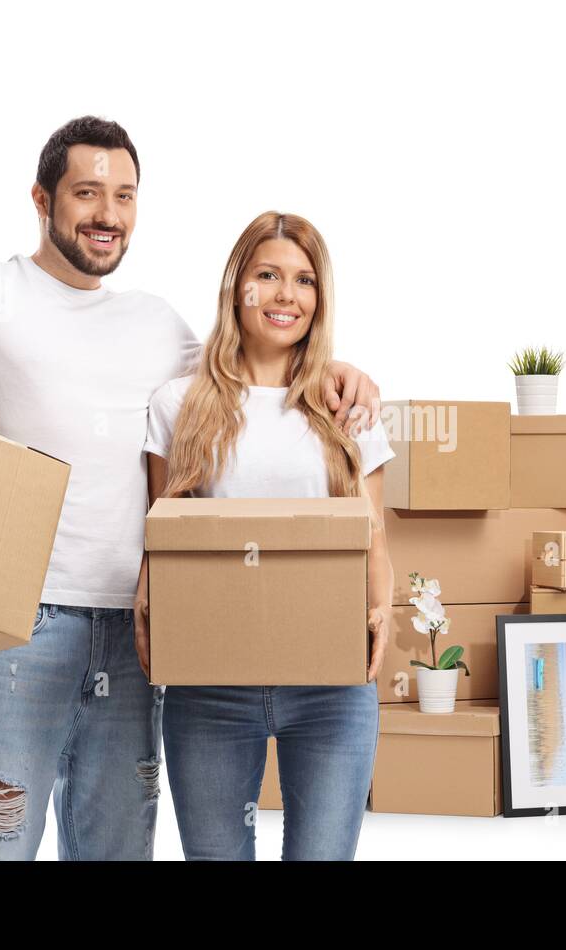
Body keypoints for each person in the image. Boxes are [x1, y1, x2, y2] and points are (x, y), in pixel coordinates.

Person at [0, 117, 381, 860]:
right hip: (15, 626)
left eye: (125, 196)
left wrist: (341, 371)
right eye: (86, 192)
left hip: (138, 639)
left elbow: (258, 365)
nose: (108, 213)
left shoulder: (158, 326)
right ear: (42, 198)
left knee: (115, 853)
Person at [139, 211, 393, 860]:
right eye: (269, 275)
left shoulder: (346, 408)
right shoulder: (179, 404)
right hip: (210, 687)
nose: (287, 295)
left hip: (333, 685)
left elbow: (375, 544)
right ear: (237, 288)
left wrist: (383, 609)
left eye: (305, 280)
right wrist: (146, 603)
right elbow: (161, 541)